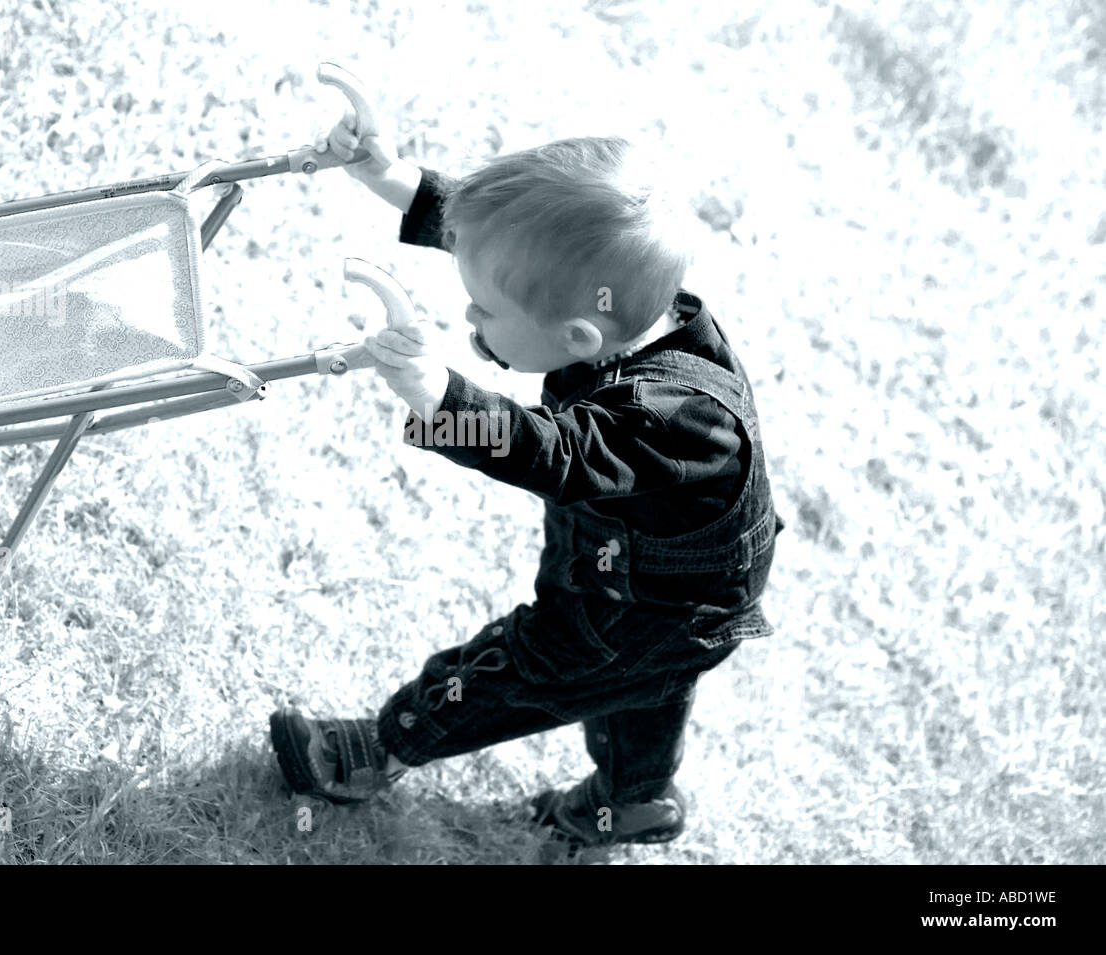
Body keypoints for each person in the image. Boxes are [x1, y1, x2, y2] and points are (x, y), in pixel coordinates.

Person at [269, 108, 785, 849]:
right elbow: (499, 240)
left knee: (520, 667)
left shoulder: (673, 418)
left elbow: (553, 451)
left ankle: (375, 749)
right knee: (640, 688)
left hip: (640, 607)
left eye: (482, 314)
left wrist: (438, 396)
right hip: (668, 600)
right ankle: (633, 797)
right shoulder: (618, 308)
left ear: (578, 339)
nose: (470, 321)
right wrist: (392, 179)